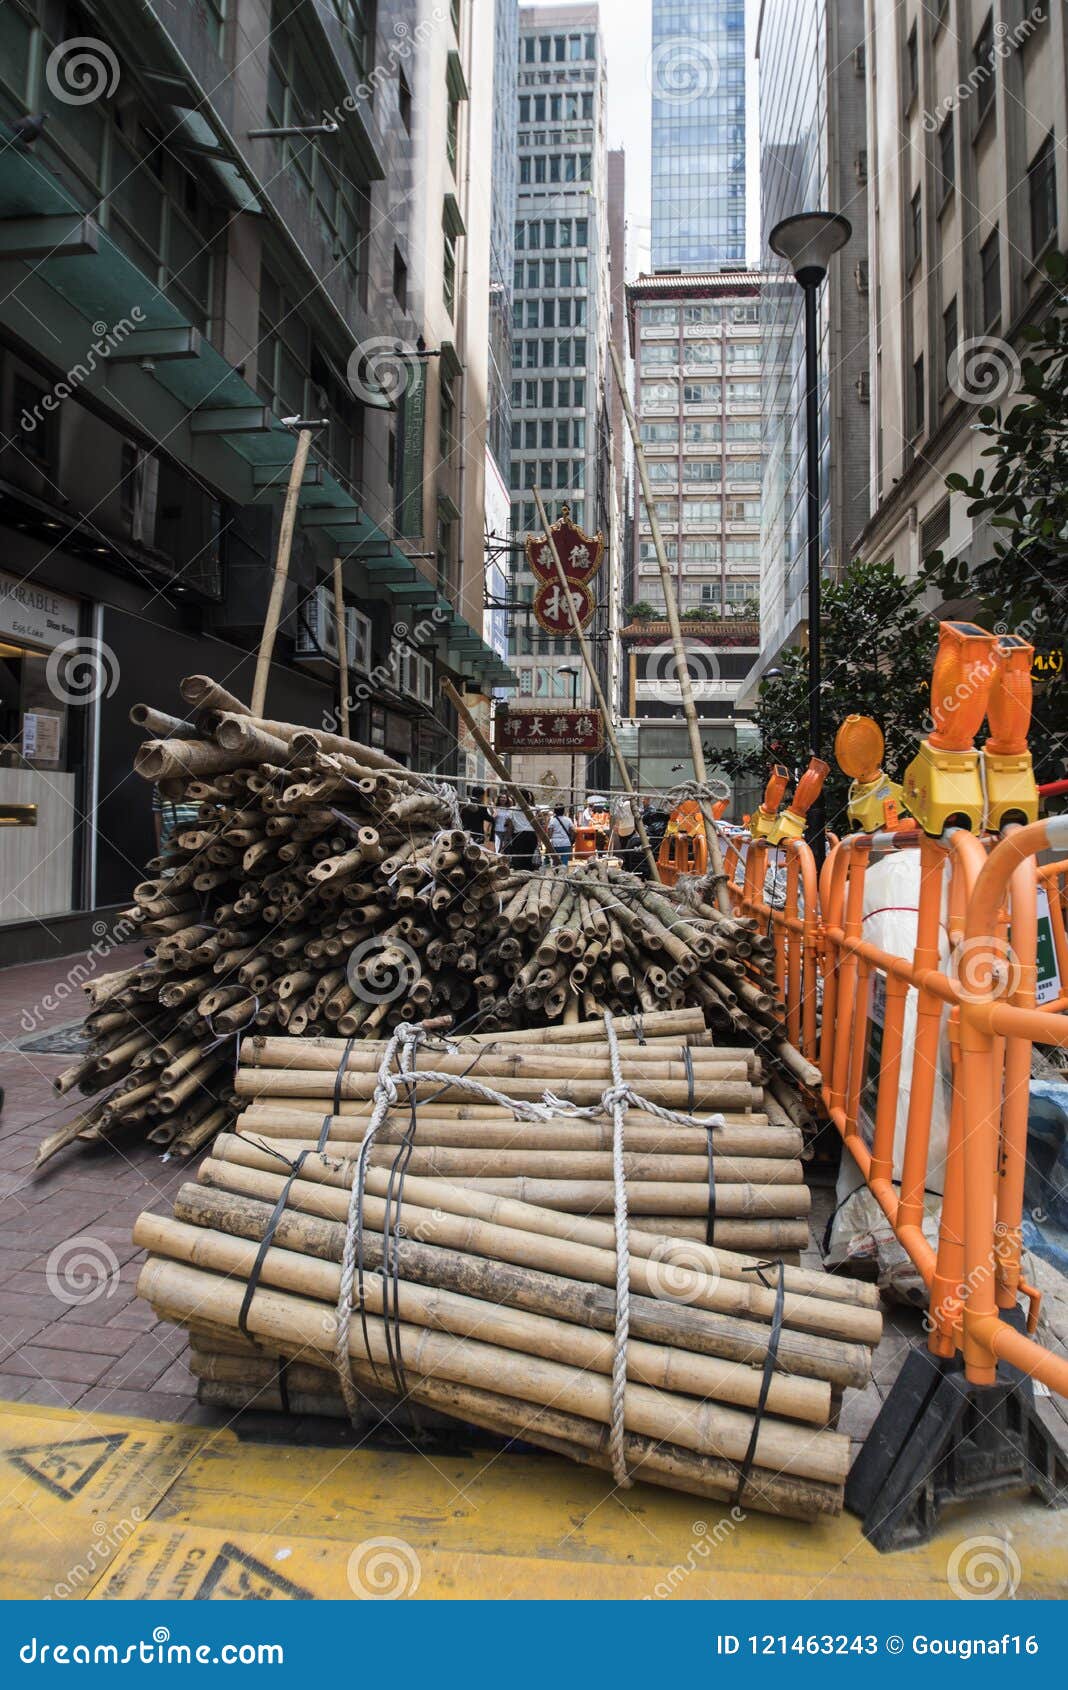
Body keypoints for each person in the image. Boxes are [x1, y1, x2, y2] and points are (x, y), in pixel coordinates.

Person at [503, 791, 539, 870]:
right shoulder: (534, 809)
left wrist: (509, 837)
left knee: (518, 858)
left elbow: (510, 826)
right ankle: (528, 873)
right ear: (528, 798)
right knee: (528, 858)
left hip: (519, 835)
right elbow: (536, 825)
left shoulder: (512, 809)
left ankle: (520, 875)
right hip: (531, 835)